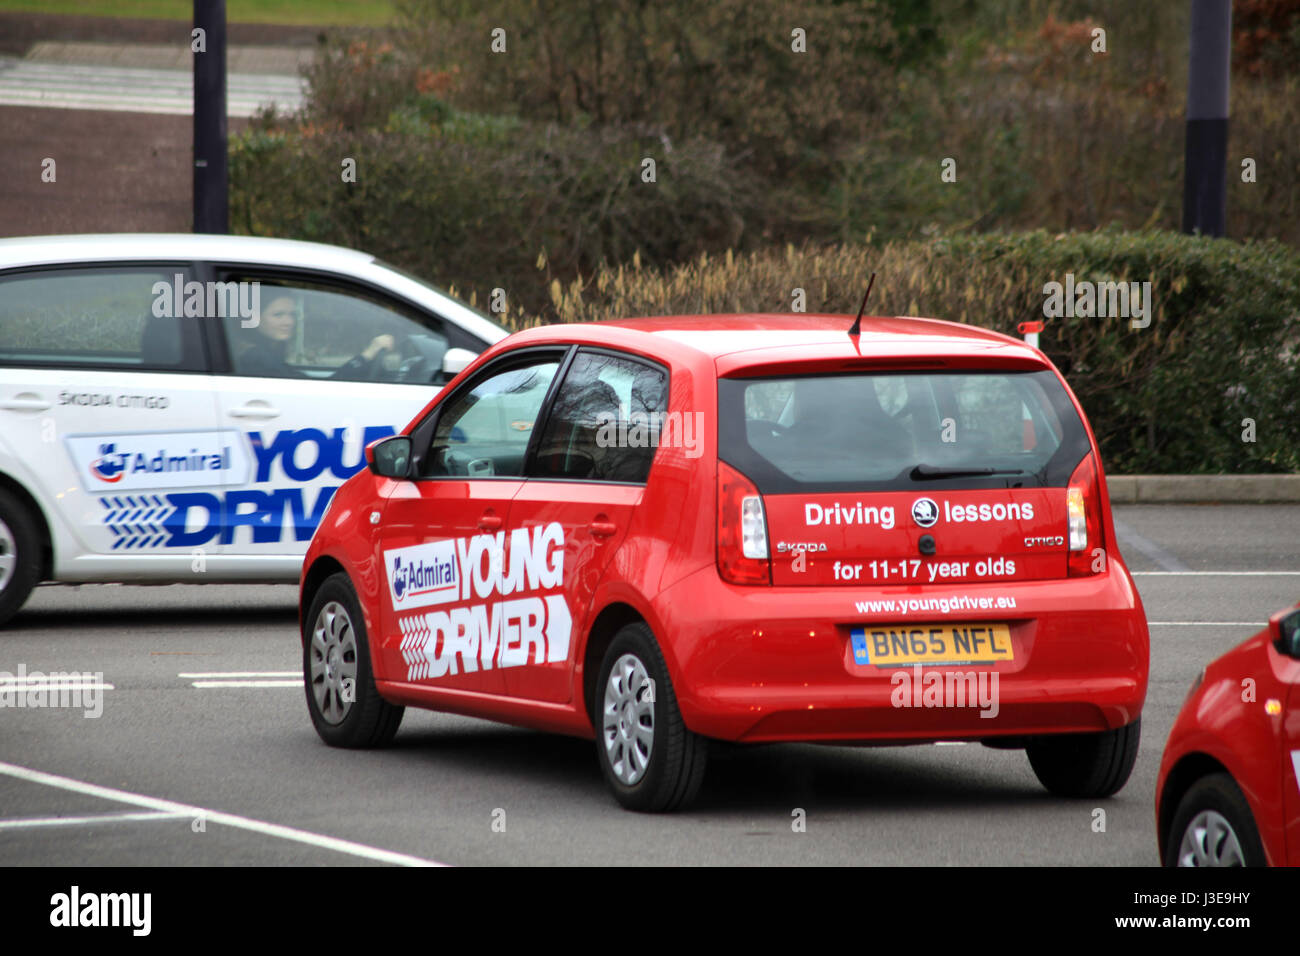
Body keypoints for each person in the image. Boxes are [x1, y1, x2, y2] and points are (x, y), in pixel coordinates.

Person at [233, 291, 395, 379]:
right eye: (278, 315)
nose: (288, 321)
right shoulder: (255, 359)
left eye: (292, 314)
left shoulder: (267, 352)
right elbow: (329, 390)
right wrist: (367, 355)